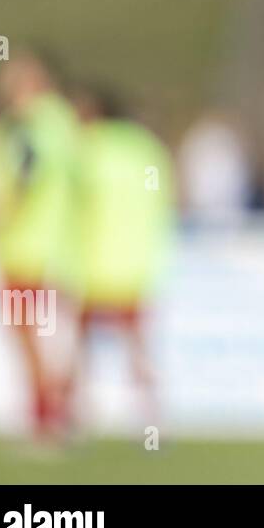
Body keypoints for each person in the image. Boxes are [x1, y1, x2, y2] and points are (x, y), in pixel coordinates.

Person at [0, 53, 80, 440]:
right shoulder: (61, 121)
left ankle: (46, 416)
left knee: (29, 337)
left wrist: (0, 212)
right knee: (52, 337)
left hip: (24, 247)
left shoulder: (27, 122)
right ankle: (59, 410)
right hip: (54, 248)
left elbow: (26, 172)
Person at [60, 88, 176, 432]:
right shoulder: (145, 146)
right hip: (135, 264)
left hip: (91, 263)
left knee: (78, 348)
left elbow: (68, 204)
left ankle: (74, 419)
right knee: (138, 349)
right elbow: (165, 201)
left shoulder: (83, 148)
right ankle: (151, 420)